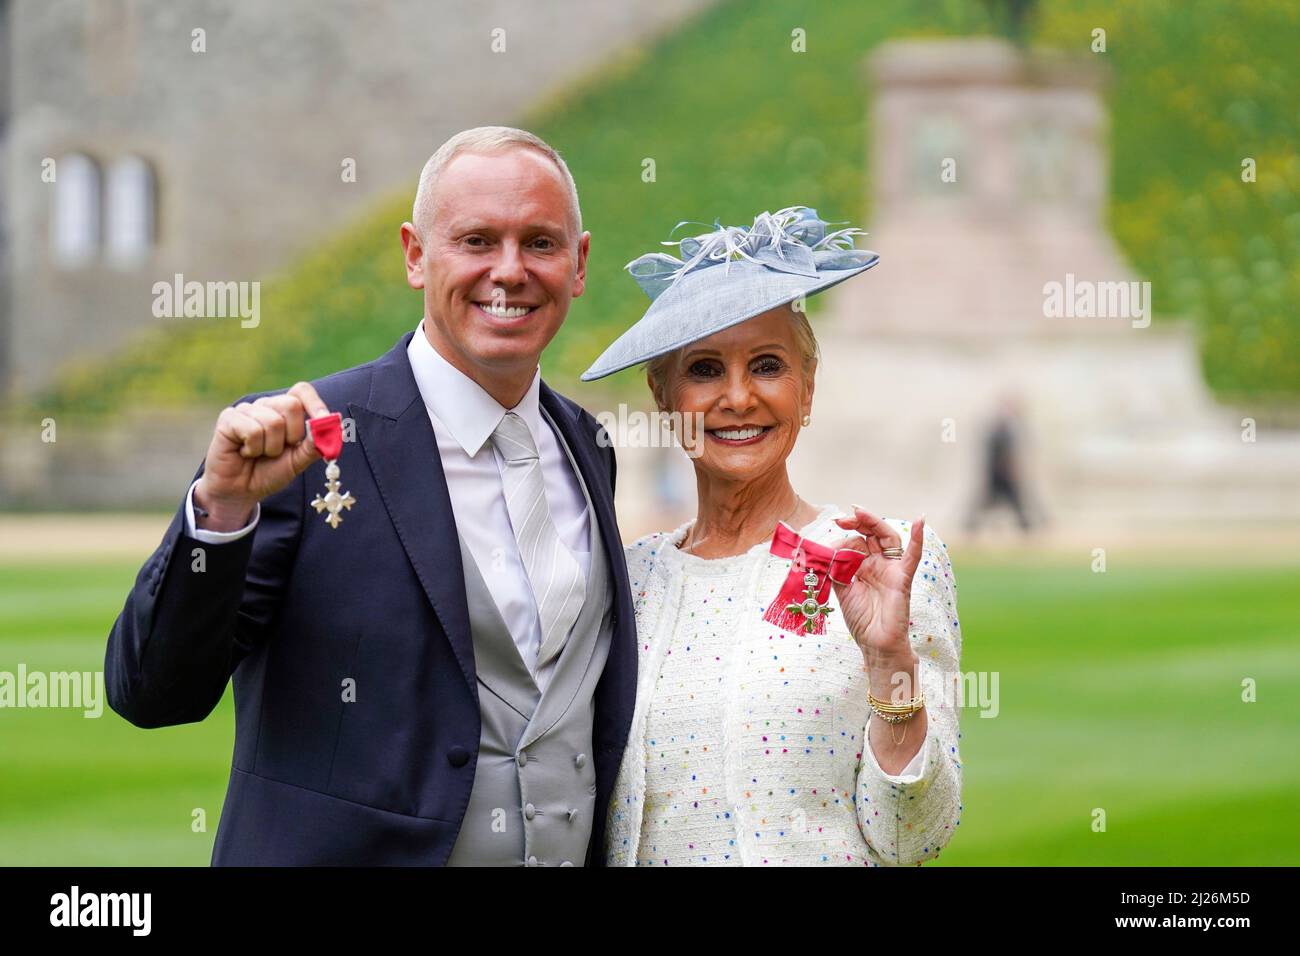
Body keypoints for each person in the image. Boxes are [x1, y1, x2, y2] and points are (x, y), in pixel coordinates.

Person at [104, 126, 637, 866]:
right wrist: (221, 515)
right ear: (416, 255)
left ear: (578, 264)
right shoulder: (300, 441)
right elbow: (152, 694)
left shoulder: (588, 446)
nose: (509, 272)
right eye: (477, 240)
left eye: (540, 243)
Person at [581, 207, 964, 865]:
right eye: (704, 369)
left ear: (806, 389)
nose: (737, 397)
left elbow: (914, 835)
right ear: (662, 395)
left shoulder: (876, 561)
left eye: (766, 365)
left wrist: (889, 665)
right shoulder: (625, 579)